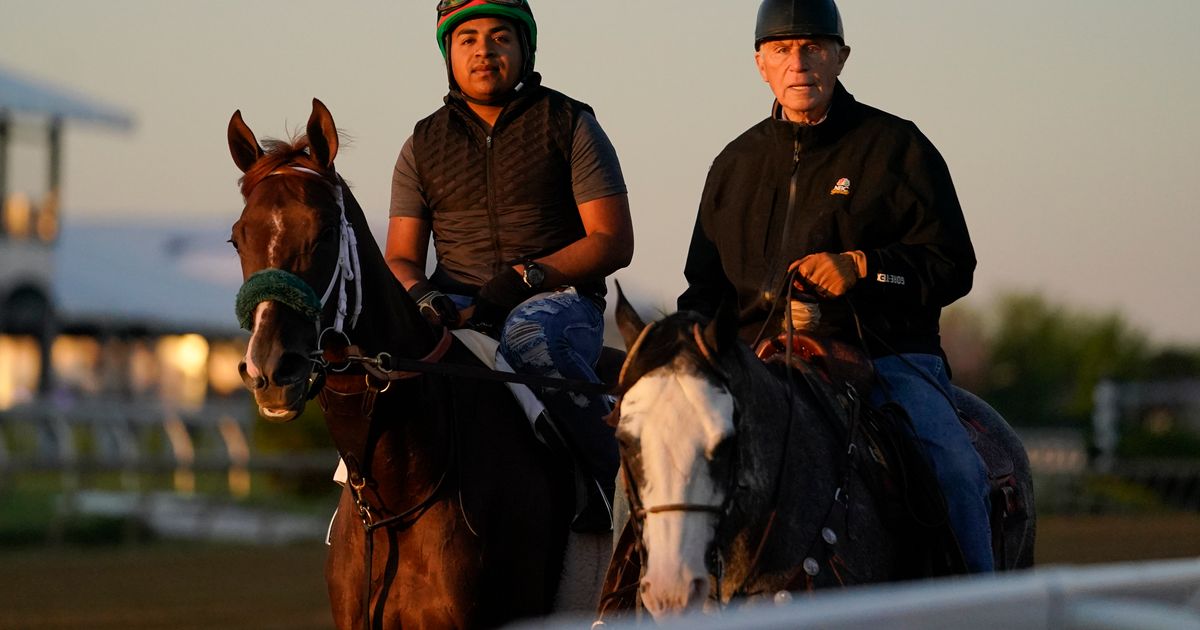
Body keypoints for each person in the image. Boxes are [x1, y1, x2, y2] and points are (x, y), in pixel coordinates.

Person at [677, 0, 993, 572]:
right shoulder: (732, 164)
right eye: (781, 50)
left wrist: (864, 267)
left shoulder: (898, 147)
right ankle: (626, 604)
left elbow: (953, 265)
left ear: (841, 58)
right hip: (757, 364)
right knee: (654, 453)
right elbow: (704, 290)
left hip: (885, 359)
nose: (798, 62)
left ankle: (981, 605)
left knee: (953, 466)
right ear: (760, 64)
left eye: (814, 47)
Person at [385, 0, 634, 533]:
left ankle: (616, 494)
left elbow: (612, 241)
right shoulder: (421, 143)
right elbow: (402, 258)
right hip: (454, 304)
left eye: (500, 37)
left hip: (559, 302)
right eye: (467, 38)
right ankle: (367, 512)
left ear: (525, 48)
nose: (483, 51)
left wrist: (523, 281)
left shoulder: (571, 123)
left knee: (527, 333)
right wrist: (423, 298)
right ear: (447, 52)